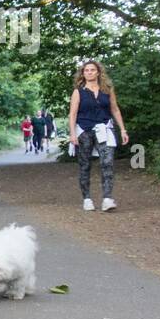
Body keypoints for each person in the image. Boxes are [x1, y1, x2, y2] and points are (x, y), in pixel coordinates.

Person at [68, 59, 129, 212]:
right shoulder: (78, 91)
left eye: (92, 70)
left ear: (98, 72)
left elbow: (115, 109)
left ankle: (107, 198)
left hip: (104, 128)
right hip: (84, 130)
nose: (89, 72)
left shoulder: (107, 89)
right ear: (83, 73)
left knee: (107, 162)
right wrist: (72, 134)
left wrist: (122, 129)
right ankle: (87, 198)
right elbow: (73, 114)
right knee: (85, 165)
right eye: (86, 70)